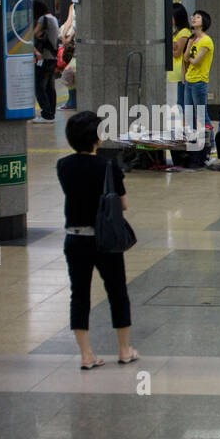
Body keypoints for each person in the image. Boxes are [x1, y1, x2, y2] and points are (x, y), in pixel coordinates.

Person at [55, 112, 138, 370]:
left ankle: (86, 354)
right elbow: (122, 204)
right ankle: (124, 350)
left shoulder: (63, 165)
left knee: (79, 294)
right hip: (105, 241)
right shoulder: (108, 167)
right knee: (117, 292)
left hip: (75, 239)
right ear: (98, 138)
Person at [183, 9, 214, 158]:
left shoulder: (206, 41)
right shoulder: (192, 39)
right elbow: (185, 58)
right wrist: (189, 46)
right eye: (193, 17)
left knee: (201, 115)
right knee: (189, 113)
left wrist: (188, 56)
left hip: (199, 82)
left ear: (204, 22)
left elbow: (195, 60)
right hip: (189, 80)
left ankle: (211, 144)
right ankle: (195, 142)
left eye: (198, 17)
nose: (194, 19)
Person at [31, 0, 60, 122]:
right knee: (49, 87)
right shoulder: (53, 18)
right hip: (52, 57)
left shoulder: (43, 19)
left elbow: (33, 35)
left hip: (43, 57)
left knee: (39, 86)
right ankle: (50, 113)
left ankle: (46, 114)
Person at [170, 3, 190, 115]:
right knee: (179, 103)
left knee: (181, 103)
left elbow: (177, 53)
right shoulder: (176, 32)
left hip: (180, 71)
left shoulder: (184, 32)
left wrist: (169, 47)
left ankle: (186, 127)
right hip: (176, 72)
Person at [57, 41, 77, 111]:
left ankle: (71, 104)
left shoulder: (68, 68)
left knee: (71, 88)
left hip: (73, 87)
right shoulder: (77, 61)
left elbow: (66, 82)